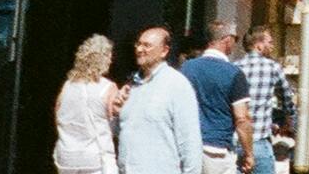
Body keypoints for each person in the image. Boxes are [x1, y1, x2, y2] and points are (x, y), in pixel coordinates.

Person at [117, 28, 202, 174]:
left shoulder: (177, 85)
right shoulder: (131, 86)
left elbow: (189, 141)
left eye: (147, 45)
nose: (139, 49)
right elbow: (121, 130)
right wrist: (114, 110)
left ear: (164, 51)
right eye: (138, 44)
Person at [184, 26, 255, 174]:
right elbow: (241, 118)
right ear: (227, 40)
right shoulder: (234, 73)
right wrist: (249, 154)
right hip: (217, 149)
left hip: (187, 146)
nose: (235, 44)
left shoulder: (186, 68)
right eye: (235, 39)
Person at [56, 38, 120, 174]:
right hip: (96, 158)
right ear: (102, 59)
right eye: (109, 57)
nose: (110, 61)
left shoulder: (67, 86)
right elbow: (115, 124)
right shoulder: (108, 87)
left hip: (67, 158)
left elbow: (58, 116)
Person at [236, 30, 293, 174]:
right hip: (259, 140)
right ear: (259, 45)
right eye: (270, 42)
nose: (273, 46)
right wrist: (288, 119)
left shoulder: (235, 67)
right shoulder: (273, 67)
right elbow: (286, 98)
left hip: (236, 141)